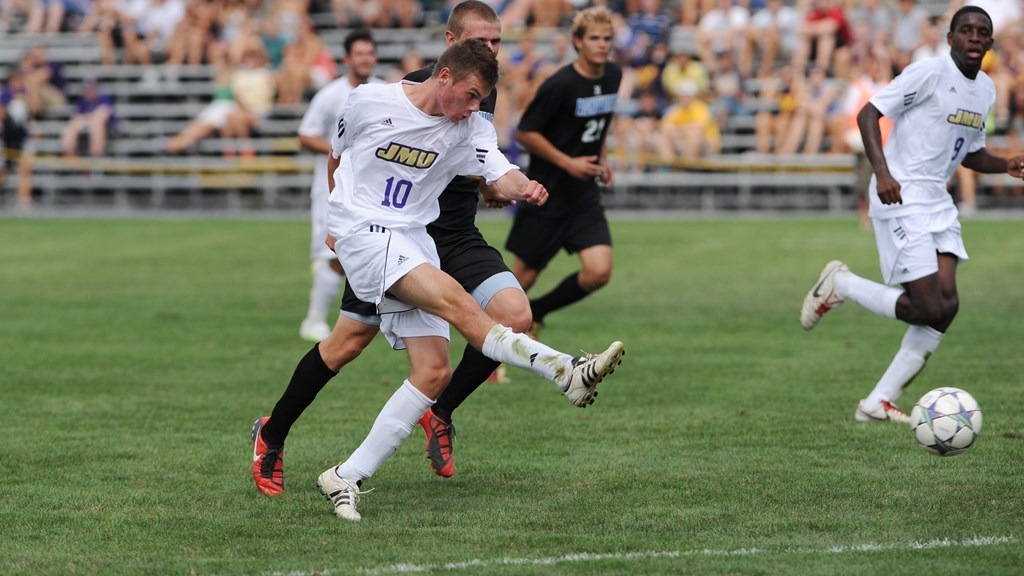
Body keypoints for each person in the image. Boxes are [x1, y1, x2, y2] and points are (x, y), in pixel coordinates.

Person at [313, 38, 624, 521]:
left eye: (483, 100)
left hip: (414, 240)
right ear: (443, 77)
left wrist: (526, 187)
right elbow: (338, 155)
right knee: (461, 305)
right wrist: (336, 226)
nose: (477, 108)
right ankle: (565, 370)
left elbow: (500, 173)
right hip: (366, 235)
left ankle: (345, 476)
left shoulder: (467, 129)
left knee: (433, 373)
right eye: (472, 95)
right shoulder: (369, 100)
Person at [253, 0, 536, 495]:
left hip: (449, 235)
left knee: (513, 315)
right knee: (346, 344)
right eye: (481, 42)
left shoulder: (479, 96)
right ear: (451, 46)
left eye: (497, 41)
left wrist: (506, 186)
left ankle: (440, 412)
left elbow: (484, 160)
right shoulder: (406, 94)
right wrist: (341, 228)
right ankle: (272, 433)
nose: (491, 50)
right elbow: (346, 160)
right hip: (388, 238)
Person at [800, 6, 1024, 423]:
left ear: (991, 43)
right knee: (925, 307)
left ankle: (876, 403)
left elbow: (970, 152)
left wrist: (1005, 164)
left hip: (937, 199)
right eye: (966, 31)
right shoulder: (928, 73)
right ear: (951, 38)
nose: (974, 37)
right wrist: (882, 172)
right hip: (900, 192)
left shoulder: (987, 90)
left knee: (947, 305)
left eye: (982, 32)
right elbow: (869, 112)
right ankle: (841, 284)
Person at [505, 6, 621, 339]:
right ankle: (490, 350)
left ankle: (539, 312)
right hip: (548, 195)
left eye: (607, 39)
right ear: (577, 42)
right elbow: (526, 132)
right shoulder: (560, 84)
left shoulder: (613, 74)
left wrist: (603, 157)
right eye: (594, 38)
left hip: (583, 197)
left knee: (599, 272)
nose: (602, 45)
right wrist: (568, 163)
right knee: (522, 280)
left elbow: (598, 125)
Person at [296, 28, 382, 342]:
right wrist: (340, 151)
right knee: (332, 253)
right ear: (347, 58)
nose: (366, 59)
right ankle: (314, 320)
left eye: (370, 53)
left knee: (369, 249)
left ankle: (374, 320)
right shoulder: (331, 94)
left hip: (370, 188)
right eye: (359, 54)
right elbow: (305, 135)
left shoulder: (384, 92)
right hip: (330, 186)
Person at [60, 79, 115, 158]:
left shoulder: (103, 98)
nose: (90, 92)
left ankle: (96, 157)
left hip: (108, 129)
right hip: (85, 129)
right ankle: (70, 156)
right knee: (70, 127)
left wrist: (86, 118)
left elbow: (103, 114)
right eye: (88, 89)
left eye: (92, 89)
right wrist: (86, 118)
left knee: (97, 123)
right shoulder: (83, 101)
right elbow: (76, 118)